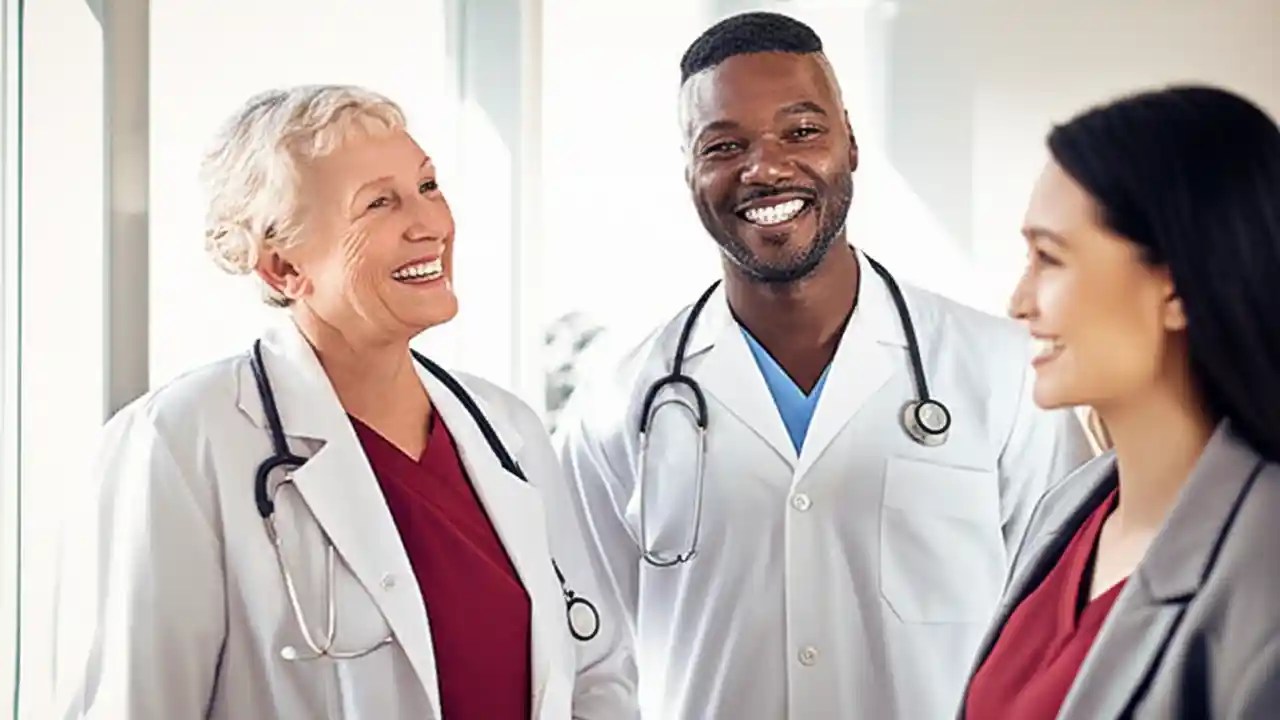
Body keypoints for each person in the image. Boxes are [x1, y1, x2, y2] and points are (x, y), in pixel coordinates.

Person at [555, 12, 1092, 720]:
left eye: (802, 132)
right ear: (689, 171)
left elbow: (1070, 630)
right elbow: (590, 665)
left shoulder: (1000, 372)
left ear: (851, 144)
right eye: (724, 144)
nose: (766, 166)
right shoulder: (615, 403)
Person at [51, 85, 637, 720]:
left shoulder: (505, 428)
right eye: (379, 203)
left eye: (429, 186)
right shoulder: (180, 441)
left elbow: (595, 672)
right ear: (281, 267)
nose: (429, 224)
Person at [960, 85, 1280, 718]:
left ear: (1177, 287)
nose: (1019, 302)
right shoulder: (1069, 511)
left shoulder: (1265, 568)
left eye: (1049, 258)